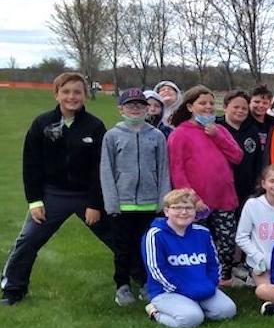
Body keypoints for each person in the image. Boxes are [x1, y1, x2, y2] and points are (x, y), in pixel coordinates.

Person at [2, 72, 116, 306]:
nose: (71, 97)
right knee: (28, 240)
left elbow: (100, 168)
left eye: (77, 92)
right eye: (66, 92)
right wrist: (35, 201)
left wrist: (95, 204)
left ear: (85, 95)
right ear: (56, 94)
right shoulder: (42, 123)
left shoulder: (95, 126)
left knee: (118, 237)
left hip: (86, 197)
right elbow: (31, 165)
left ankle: (143, 280)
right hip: (52, 196)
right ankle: (13, 289)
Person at [168, 85, 244, 285]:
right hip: (197, 202)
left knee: (226, 241)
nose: (208, 107)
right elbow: (177, 170)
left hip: (224, 197)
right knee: (198, 241)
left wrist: (217, 136)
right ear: (190, 107)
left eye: (211, 103)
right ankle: (198, 278)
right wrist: (192, 199)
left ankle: (223, 277)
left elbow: (237, 156)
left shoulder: (219, 130)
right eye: (202, 103)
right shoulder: (180, 134)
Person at [102, 88, 171, 306]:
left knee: (147, 247)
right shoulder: (112, 135)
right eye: (130, 105)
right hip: (123, 204)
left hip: (150, 204)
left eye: (140, 105)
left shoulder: (156, 136)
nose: (135, 109)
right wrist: (112, 203)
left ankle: (146, 283)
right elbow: (106, 170)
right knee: (122, 248)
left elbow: (164, 169)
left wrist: (163, 201)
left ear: (147, 109)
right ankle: (122, 285)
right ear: (121, 109)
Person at [142, 189, 237, 328]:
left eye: (188, 208)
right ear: (167, 211)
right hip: (168, 291)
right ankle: (154, 312)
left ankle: (194, 307)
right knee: (191, 319)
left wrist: (211, 284)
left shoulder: (203, 233)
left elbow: (214, 264)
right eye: (177, 208)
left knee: (227, 311)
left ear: (195, 211)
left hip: (201, 288)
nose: (184, 212)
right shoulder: (155, 235)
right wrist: (183, 288)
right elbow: (157, 269)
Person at [235, 165, 274, 285]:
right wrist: (258, 257)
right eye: (272, 181)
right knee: (267, 289)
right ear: (264, 183)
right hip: (260, 263)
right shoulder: (252, 205)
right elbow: (241, 237)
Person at [216, 90, 267, 208]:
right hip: (221, 190)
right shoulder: (216, 129)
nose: (240, 111)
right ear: (225, 107)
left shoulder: (252, 131)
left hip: (246, 191)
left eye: (244, 108)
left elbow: (258, 162)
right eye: (236, 107)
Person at [248, 85, 274, 150]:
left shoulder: (273, 123)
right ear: (249, 102)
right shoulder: (243, 122)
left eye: (265, 103)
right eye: (257, 102)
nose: (261, 105)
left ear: (270, 105)